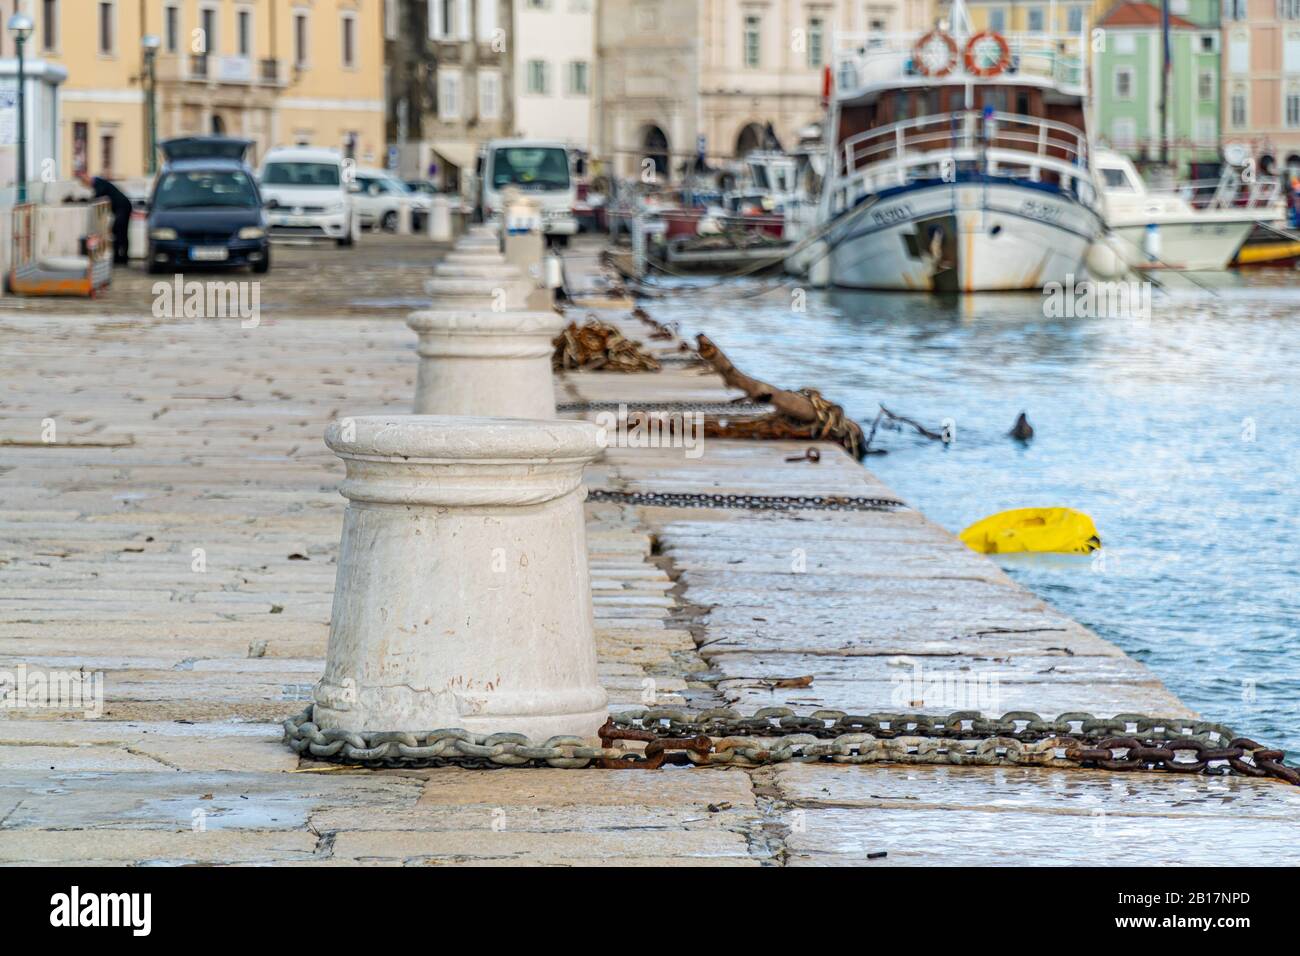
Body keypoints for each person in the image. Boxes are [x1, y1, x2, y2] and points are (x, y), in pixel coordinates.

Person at [75, 170, 133, 264]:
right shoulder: (99, 183)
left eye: (85, 182)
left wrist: (87, 200)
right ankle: (121, 257)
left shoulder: (98, 182)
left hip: (123, 207)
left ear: (87, 177)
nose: (87, 185)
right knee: (120, 232)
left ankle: (122, 257)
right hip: (121, 207)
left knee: (119, 231)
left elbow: (98, 195)